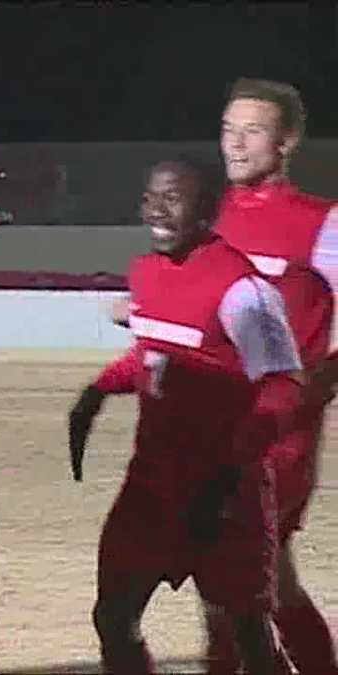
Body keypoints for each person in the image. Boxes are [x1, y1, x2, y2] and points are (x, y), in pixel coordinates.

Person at [75, 79, 338, 675]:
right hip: (196, 437)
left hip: (273, 440)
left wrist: (308, 396)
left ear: (288, 140)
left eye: (254, 130)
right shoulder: (204, 213)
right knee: (250, 591)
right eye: (227, 128)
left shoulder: (321, 223)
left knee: (244, 590)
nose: (236, 143)